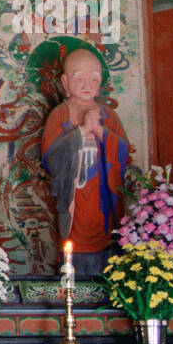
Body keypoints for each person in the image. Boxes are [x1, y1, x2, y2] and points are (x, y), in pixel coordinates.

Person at [41, 47, 130, 275]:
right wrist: (81, 132)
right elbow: (49, 156)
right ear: (66, 82)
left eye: (93, 78)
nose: (87, 84)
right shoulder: (60, 113)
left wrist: (100, 131)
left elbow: (124, 153)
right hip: (75, 193)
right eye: (79, 78)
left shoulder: (109, 115)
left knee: (109, 237)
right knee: (71, 237)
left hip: (103, 195)